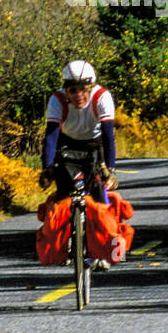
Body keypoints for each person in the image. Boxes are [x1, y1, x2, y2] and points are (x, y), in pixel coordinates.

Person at [38, 60, 118, 269]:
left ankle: (104, 248)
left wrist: (110, 170)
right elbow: (51, 136)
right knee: (64, 195)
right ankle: (63, 245)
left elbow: (109, 136)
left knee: (99, 192)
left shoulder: (102, 97)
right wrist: (47, 169)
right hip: (67, 144)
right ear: (65, 89)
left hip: (95, 145)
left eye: (83, 90)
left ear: (91, 88)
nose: (78, 95)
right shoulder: (56, 100)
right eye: (72, 90)